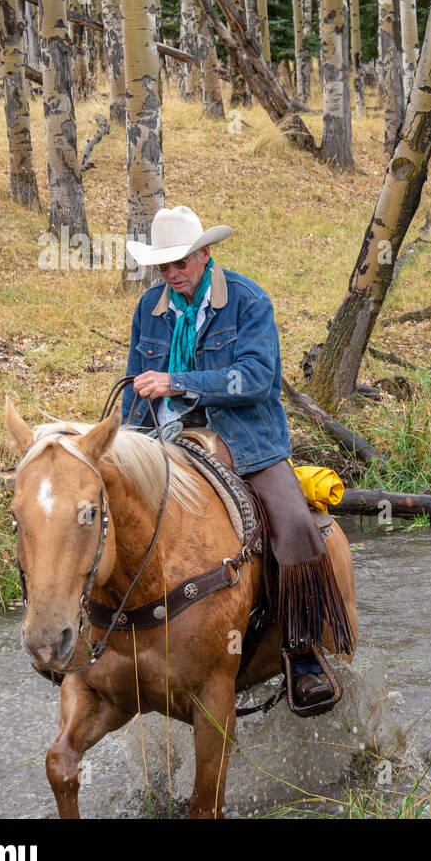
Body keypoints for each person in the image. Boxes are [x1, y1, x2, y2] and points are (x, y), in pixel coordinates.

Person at [122, 206, 350, 715]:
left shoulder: (247, 301)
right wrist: (120, 448)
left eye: (180, 262)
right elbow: (135, 387)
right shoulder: (148, 311)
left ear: (205, 253)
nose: (172, 273)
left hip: (247, 443)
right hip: (163, 443)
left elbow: (255, 380)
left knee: (294, 526)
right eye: (163, 266)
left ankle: (303, 652)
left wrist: (178, 381)